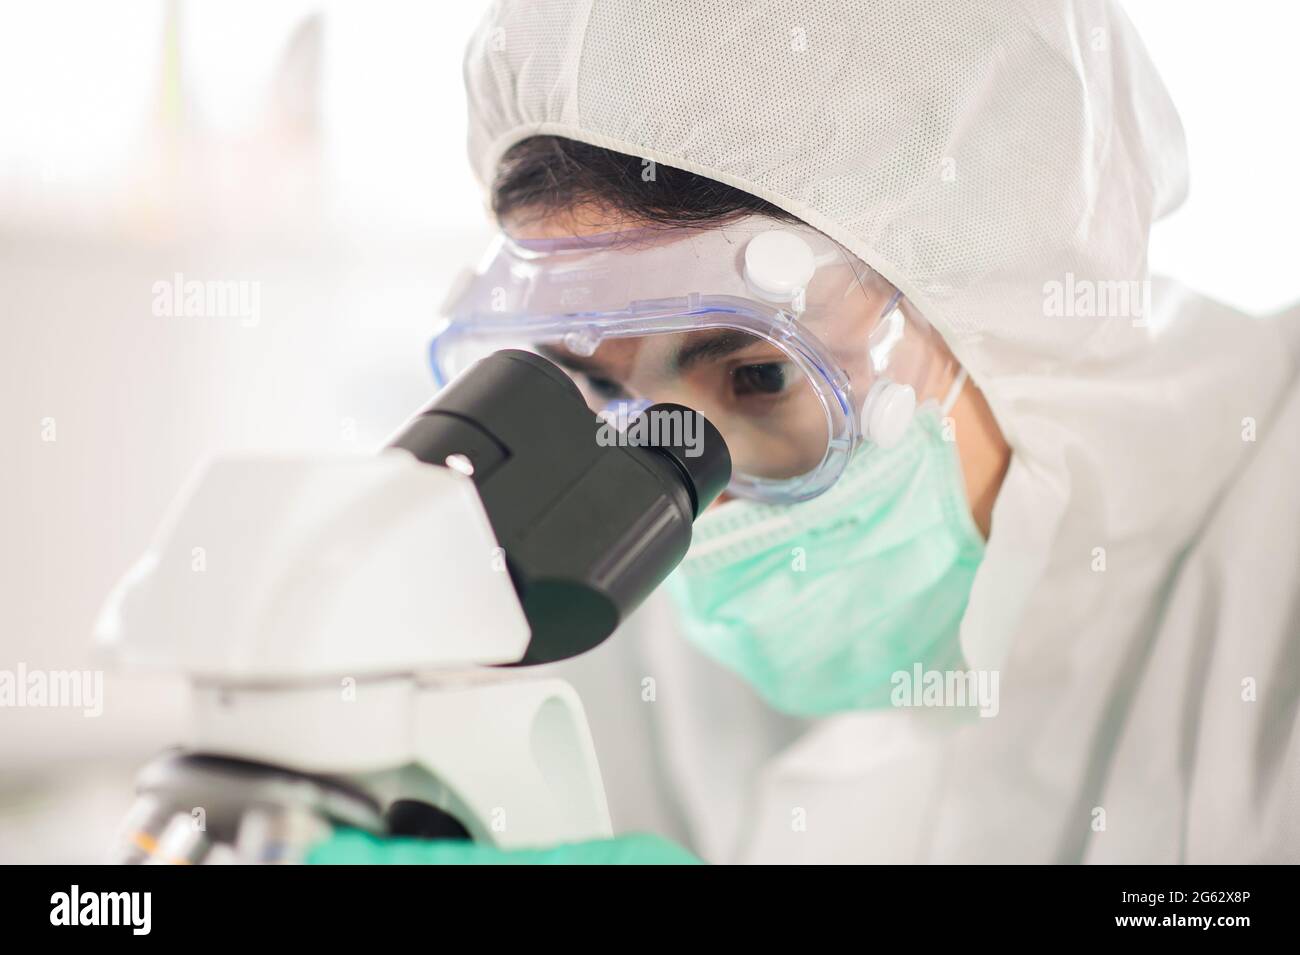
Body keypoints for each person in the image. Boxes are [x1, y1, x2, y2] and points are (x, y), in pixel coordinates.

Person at [311, 0, 1300, 864]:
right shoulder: (615, 616)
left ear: (1015, 319)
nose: (692, 500)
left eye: (757, 374)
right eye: (594, 384)